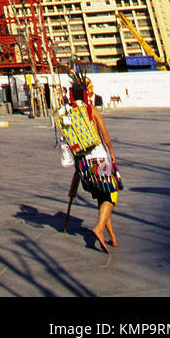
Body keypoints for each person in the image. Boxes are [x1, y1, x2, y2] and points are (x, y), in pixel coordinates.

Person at [63, 82, 121, 253]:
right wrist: (111, 152)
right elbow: (105, 135)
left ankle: (112, 237)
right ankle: (99, 228)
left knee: (101, 196)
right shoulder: (91, 110)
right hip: (99, 159)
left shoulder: (70, 114)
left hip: (83, 162)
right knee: (112, 193)